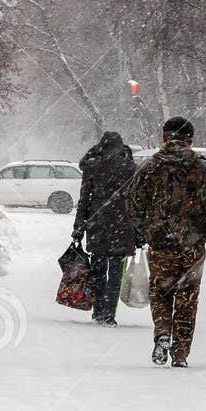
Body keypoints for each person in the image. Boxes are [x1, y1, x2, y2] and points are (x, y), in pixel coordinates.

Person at [123, 116, 206, 367]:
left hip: (161, 244)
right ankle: (180, 351)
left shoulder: (150, 167)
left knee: (161, 292)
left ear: (164, 137)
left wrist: (145, 228)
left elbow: (132, 202)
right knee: (188, 296)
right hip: (192, 244)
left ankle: (162, 332)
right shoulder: (203, 168)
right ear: (190, 139)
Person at [71, 130, 141, 326]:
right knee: (116, 272)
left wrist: (79, 227)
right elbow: (137, 202)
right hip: (123, 225)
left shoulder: (93, 167)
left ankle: (98, 310)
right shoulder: (130, 168)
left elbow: (84, 200)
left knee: (98, 270)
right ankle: (110, 313)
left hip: (98, 225)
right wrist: (140, 231)